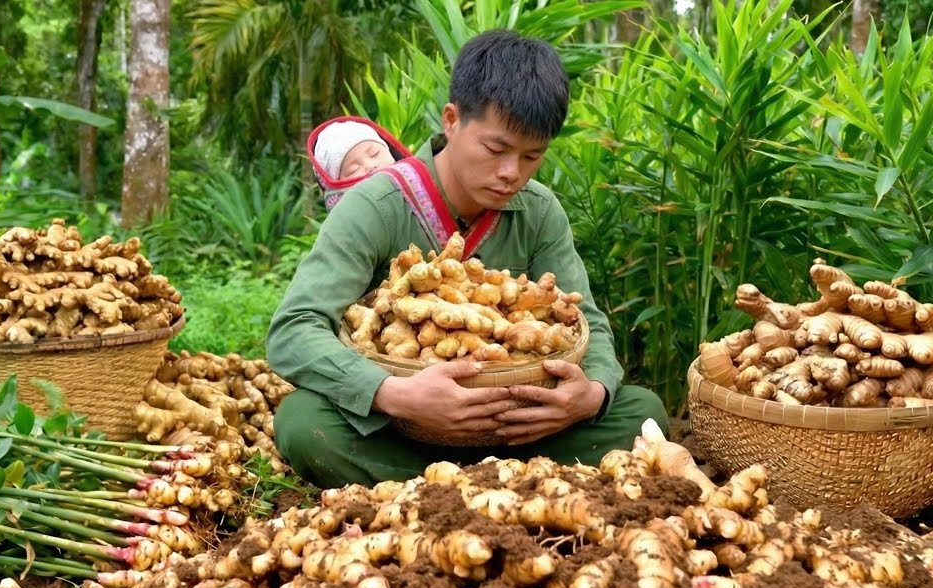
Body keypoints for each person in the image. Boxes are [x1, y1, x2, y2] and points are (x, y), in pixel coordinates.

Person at [267, 30, 668, 489]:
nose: (511, 173)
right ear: (453, 120)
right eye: (496, 149)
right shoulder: (376, 204)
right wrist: (395, 394)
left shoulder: (539, 212)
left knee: (640, 412)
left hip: (518, 428)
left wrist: (590, 395)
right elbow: (294, 328)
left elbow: (588, 322)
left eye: (531, 156)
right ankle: (510, 486)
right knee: (303, 424)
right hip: (401, 430)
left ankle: (437, 488)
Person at [306, 116, 409, 211]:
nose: (370, 166)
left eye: (375, 154)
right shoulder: (349, 226)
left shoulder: (418, 187)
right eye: (353, 170)